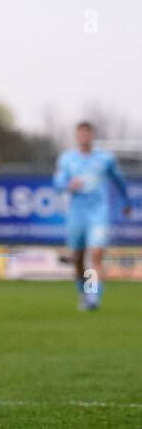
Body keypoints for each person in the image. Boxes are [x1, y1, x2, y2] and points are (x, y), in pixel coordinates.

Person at [53, 121, 132, 310]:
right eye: (80, 134)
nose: (84, 137)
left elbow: (119, 180)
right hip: (77, 213)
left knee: (95, 255)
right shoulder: (67, 159)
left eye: (87, 134)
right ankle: (83, 292)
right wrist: (67, 185)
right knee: (78, 259)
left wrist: (126, 201)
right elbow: (57, 182)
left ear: (92, 136)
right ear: (77, 137)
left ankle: (92, 296)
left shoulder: (105, 159)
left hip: (98, 213)